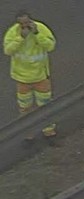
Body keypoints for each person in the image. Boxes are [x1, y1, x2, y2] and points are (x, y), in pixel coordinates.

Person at [4, 10, 56, 140]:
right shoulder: (13, 32)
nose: (25, 26)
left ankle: (49, 132)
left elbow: (50, 46)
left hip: (41, 77)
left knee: (44, 105)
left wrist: (37, 34)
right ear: (18, 23)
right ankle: (28, 134)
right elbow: (7, 50)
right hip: (22, 78)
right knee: (25, 108)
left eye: (27, 23)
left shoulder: (41, 28)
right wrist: (20, 38)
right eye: (22, 24)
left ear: (31, 20)